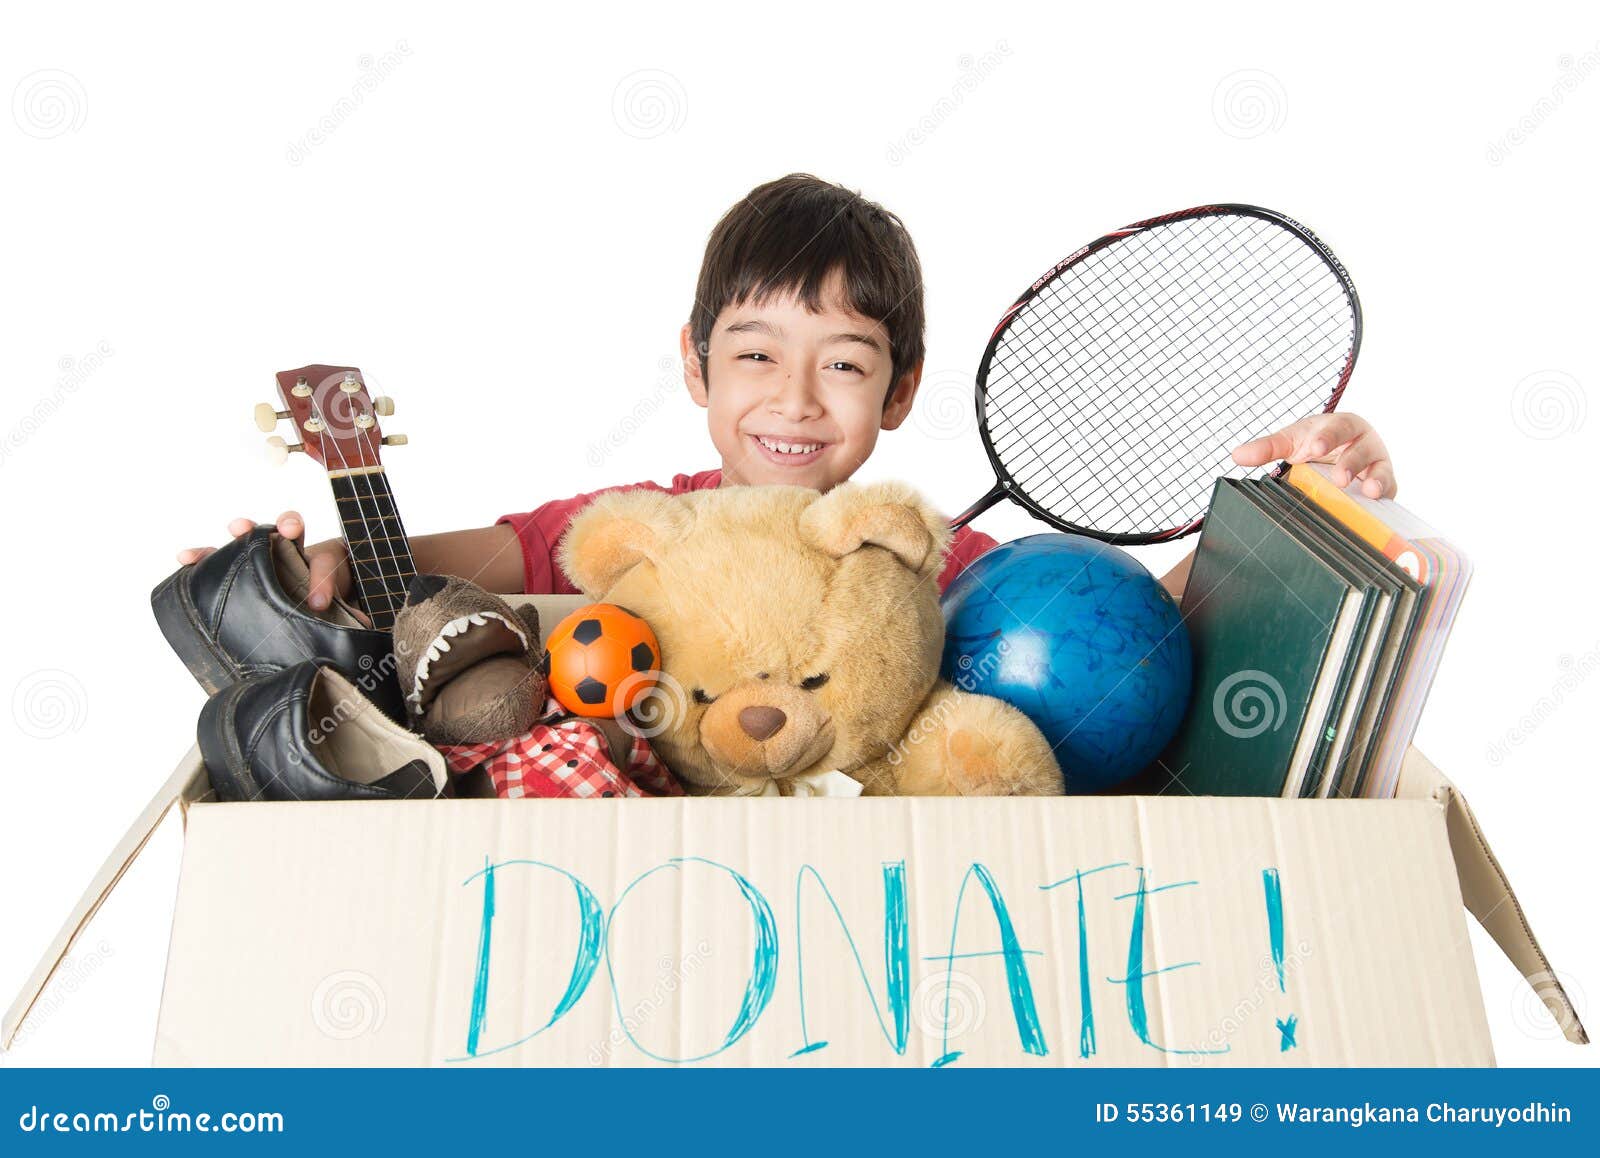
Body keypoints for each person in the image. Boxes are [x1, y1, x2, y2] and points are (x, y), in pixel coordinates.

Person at [179, 174, 1398, 610]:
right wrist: (323, 560)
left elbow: (1135, 642)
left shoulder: (944, 564)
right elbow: (446, 566)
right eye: (756, 354)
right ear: (695, 365)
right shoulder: (625, 530)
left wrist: (1294, 508)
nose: (797, 399)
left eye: (847, 363)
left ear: (903, 391)